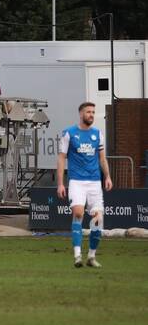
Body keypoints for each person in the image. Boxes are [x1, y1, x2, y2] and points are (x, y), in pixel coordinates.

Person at [56, 101, 113, 268]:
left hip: (94, 182)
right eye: (88, 112)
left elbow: (102, 158)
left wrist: (107, 176)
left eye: (93, 112)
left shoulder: (98, 134)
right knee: (79, 213)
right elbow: (61, 158)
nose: (91, 115)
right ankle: (77, 255)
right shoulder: (69, 133)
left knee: (98, 219)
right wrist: (61, 183)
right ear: (81, 114)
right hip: (76, 182)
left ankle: (91, 256)